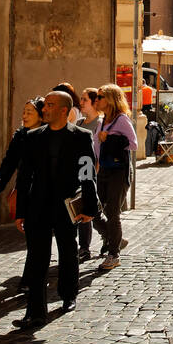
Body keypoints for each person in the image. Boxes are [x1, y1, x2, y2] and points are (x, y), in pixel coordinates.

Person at [12, 90, 98, 329]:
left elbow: (87, 173)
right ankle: (35, 311)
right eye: (45, 105)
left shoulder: (80, 136)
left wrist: (90, 206)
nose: (44, 109)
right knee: (37, 259)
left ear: (63, 110)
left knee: (68, 252)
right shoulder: (33, 137)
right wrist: (20, 211)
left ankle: (69, 295)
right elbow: (24, 177)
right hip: (37, 206)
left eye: (50, 105)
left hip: (65, 206)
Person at [0, 97, 45, 291]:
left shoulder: (48, 134)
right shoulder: (20, 135)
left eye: (30, 112)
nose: (25, 115)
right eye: (24, 111)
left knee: (39, 236)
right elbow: (9, 161)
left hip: (45, 192)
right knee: (32, 236)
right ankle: (33, 275)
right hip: (25, 190)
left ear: (40, 115)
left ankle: (31, 278)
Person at [92, 83, 137, 269]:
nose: (97, 100)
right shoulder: (102, 120)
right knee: (93, 210)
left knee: (112, 213)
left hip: (118, 171)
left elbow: (133, 144)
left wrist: (109, 138)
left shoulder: (121, 120)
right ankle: (115, 238)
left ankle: (113, 254)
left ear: (110, 99)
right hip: (102, 170)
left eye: (100, 97)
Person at [74, 89, 103, 260]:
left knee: (89, 209)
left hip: (91, 173)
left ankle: (84, 248)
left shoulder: (99, 124)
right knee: (85, 209)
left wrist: (94, 175)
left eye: (85, 99)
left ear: (93, 103)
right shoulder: (79, 122)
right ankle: (111, 238)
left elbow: (98, 153)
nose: (81, 102)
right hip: (76, 172)